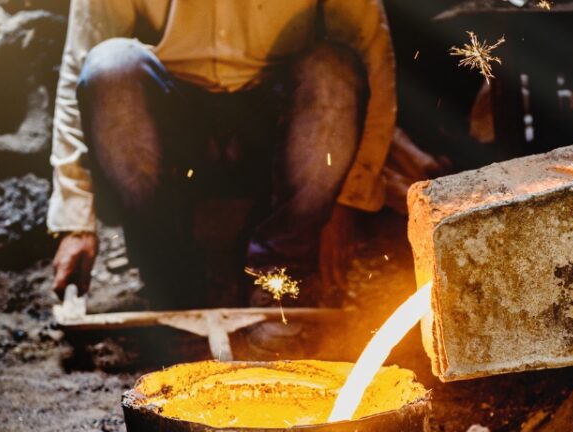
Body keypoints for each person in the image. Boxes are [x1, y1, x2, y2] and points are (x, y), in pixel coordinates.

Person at [48, 0, 396, 319]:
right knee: (109, 67)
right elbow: (80, 66)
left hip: (276, 126)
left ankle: (278, 277)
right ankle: (173, 281)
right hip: (173, 131)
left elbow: (372, 57)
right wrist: (76, 220)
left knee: (334, 71)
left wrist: (348, 199)